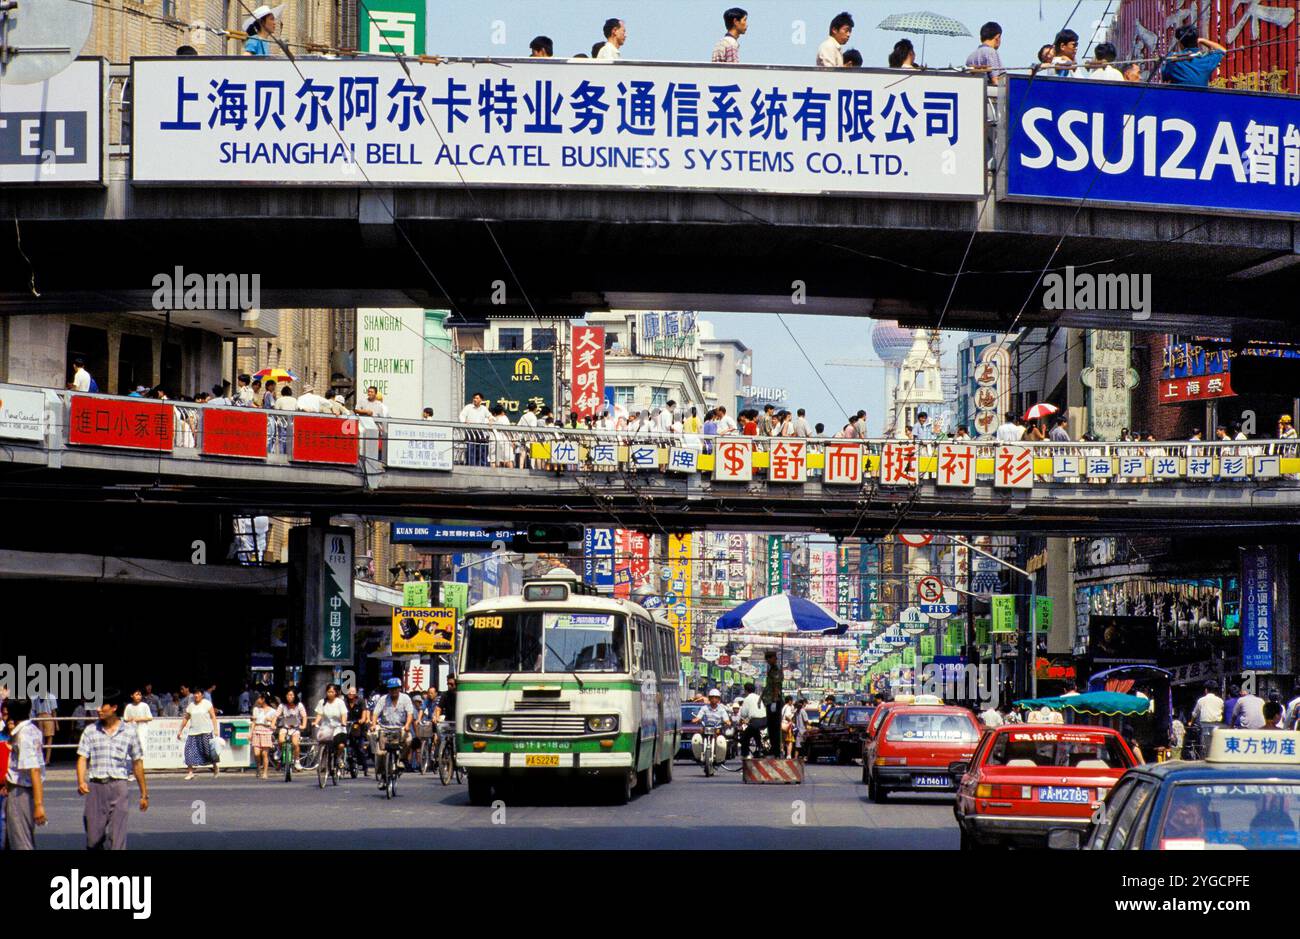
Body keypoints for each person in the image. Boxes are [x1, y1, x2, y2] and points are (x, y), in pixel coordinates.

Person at [75, 694, 148, 850]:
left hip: (119, 787)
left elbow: (137, 762)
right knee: (93, 840)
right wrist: (81, 781)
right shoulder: (90, 731)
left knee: (117, 840)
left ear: (114, 708)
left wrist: (143, 794)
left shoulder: (129, 731)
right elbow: (82, 758)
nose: (98, 710)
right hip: (95, 788)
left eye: (102, 706)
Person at [4, 699, 46, 849]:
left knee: (21, 840)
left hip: (20, 791)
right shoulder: (32, 729)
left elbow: (34, 769)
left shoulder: (23, 735)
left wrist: (39, 805)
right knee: (15, 838)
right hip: (18, 789)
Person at [371, 678, 415, 782]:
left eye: (395, 689)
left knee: (409, 740)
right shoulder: (383, 699)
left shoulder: (406, 698)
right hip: (385, 728)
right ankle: (382, 775)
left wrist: (408, 725)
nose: (393, 691)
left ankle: (402, 759)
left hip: (400, 728)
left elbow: (410, 714)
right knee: (380, 752)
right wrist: (373, 724)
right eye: (391, 689)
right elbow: (376, 713)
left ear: (399, 689)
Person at [177, 686, 220, 779]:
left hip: (206, 731)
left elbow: (213, 716)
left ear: (202, 695)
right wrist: (180, 730)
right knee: (188, 751)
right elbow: (186, 718)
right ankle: (190, 772)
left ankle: (215, 767)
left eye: (198, 693)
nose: (196, 695)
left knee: (208, 752)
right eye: (195, 694)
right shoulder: (191, 705)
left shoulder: (207, 704)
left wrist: (216, 729)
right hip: (193, 732)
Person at [1161, 25, 1226, 86]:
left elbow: (1165, 77)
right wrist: (1202, 40)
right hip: (1201, 96)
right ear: (1196, 40)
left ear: (1180, 43)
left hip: (1178, 96)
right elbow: (1223, 50)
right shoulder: (1206, 59)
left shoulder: (1173, 59)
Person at [690, 689, 731, 765]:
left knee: (721, 741)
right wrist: (696, 719)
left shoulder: (722, 709)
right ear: (709, 698)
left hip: (717, 729)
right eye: (712, 697)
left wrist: (727, 721)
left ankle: (720, 757)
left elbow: (726, 719)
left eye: (716, 697)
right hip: (706, 728)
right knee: (696, 738)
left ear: (719, 699)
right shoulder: (704, 708)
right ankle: (698, 755)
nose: (714, 699)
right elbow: (699, 716)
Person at [313, 683, 349, 770]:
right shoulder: (322, 702)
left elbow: (344, 714)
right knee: (324, 743)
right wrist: (315, 722)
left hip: (338, 727)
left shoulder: (340, 702)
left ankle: (338, 758)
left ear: (336, 693)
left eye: (332, 692)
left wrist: (343, 722)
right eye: (329, 692)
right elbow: (319, 714)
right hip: (326, 728)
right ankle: (324, 761)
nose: (330, 694)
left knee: (340, 745)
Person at [275, 687, 307, 772]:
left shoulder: (299, 705)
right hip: (285, 727)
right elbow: (276, 716)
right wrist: (272, 724)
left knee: (295, 744)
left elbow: (304, 716)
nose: (290, 697)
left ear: (295, 696)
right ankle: (279, 751)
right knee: (281, 740)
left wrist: (303, 725)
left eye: (292, 695)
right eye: (288, 695)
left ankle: (297, 761)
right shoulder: (282, 705)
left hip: (295, 728)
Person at [344, 686, 371, 775]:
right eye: (349, 693)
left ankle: (365, 767)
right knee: (346, 745)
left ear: (355, 694)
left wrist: (362, 720)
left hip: (359, 727)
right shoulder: (344, 702)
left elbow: (364, 713)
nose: (351, 694)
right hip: (347, 726)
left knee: (360, 748)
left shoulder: (361, 701)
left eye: (352, 693)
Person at [459, 392, 491, 466]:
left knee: (481, 449)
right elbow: (461, 416)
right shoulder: (468, 407)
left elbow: (490, 416)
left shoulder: (484, 408)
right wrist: (464, 421)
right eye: (474, 398)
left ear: (481, 400)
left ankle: (482, 465)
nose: (475, 400)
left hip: (480, 432)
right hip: (470, 431)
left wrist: (491, 420)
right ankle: (471, 465)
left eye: (477, 398)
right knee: (471, 449)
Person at [761, 649, 783, 756]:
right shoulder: (771, 670)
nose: (773, 660)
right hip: (769, 701)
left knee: (775, 727)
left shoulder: (776, 670)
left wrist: (774, 700)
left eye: (772, 658)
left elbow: (776, 687)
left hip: (775, 701)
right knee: (770, 726)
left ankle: (776, 750)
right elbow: (769, 686)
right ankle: (773, 748)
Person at [251, 692, 276, 779]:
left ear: (263, 699)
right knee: (256, 753)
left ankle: (265, 772)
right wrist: (250, 733)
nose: (258, 700)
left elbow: (274, 724)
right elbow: (253, 722)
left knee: (265, 754)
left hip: (266, 731)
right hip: (257, 730)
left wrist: (270, 721)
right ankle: (258, 767)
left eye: (259, 698)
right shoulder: (256, 709)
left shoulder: (273, 711)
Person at [738, 682, 767, 757]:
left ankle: (745, 754)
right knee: (755, 733)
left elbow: (743, 714)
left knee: (744, 737)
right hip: (765, 720)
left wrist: (744, 719)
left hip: (755, 721)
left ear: (746, 690)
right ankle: (759, 749)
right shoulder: (758, 697)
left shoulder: (747, 699)